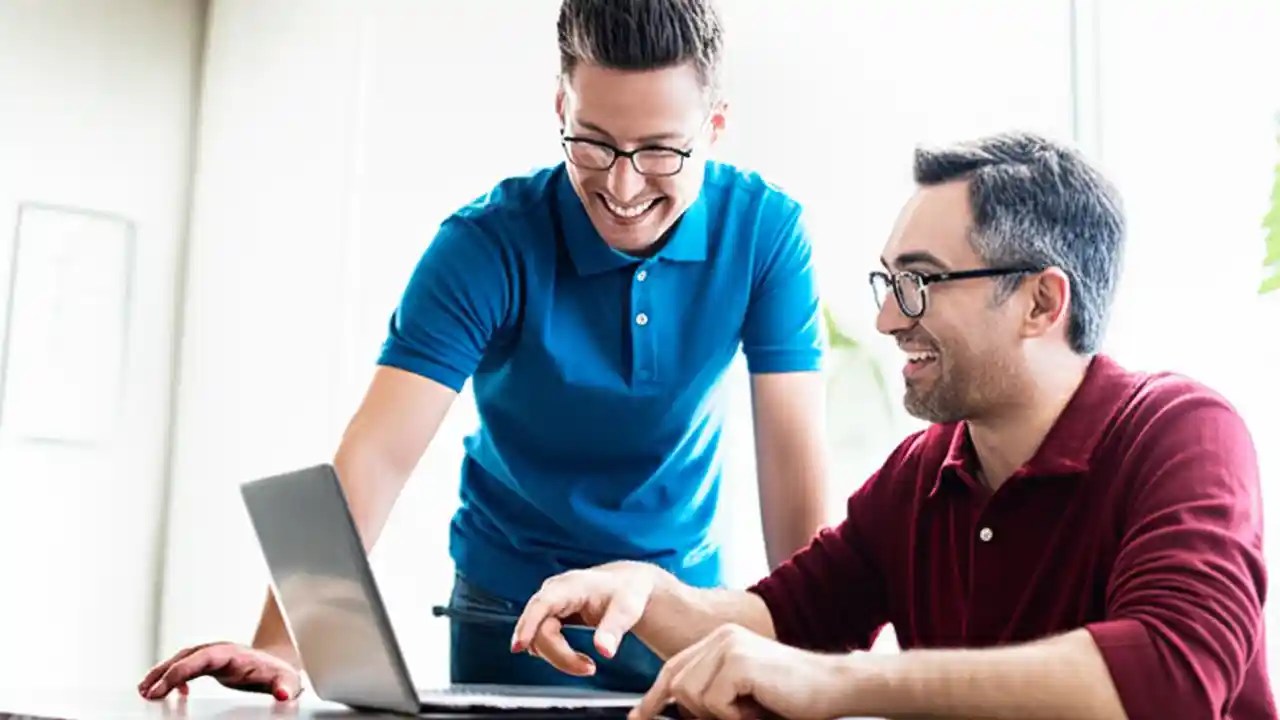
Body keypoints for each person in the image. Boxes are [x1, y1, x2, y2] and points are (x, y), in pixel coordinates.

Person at [138, 0, 833, 703]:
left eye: (660, 151)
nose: (621, 187)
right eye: (592, 142)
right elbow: (376, 456)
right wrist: (280, 648)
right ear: (561, 104)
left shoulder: (766, 234)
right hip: (514, 616)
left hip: (683, 616)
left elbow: (791, 460)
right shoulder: (487, 245)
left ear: (714, 127)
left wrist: (817, 664)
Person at [511, 131, 1276, 720]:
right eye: (889, 282)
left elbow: (1170, 678)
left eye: (918, 283)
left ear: (1042, 303)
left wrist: (843, 682)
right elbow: (787, 626)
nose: (885, 317)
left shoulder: (1183, 435)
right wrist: (645, 593)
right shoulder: (924, 472)